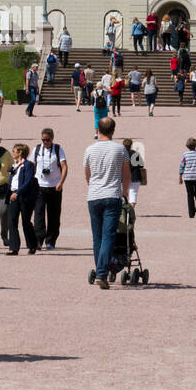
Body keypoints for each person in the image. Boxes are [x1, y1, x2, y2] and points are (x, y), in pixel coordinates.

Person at [84, 117, 130, 290]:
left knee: (97, 237)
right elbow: (126, 175)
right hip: (112, 195)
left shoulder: (89, 149)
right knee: (109, 235)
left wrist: (94, 187)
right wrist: (124, 192)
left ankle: (100, 270)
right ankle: (102, 273)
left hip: (94, 195)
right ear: (113, 131)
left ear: (98, 130)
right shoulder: (120, 150)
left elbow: (87, 174)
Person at [30, 128, 67, 249]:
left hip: (55, 187)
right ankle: (39, 240)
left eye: (47, 140)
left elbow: (64, 167)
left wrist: (61, 182)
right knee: (38, 214)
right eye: (43, 140)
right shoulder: (37, 149)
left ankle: (50, 240)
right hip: (40, 186)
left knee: (54, 215)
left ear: (52, 138)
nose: (45, 142)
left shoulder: (58, 149)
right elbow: (31, 165)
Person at [5, 143, 39, 255]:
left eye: (14, 151)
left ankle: (32, 244)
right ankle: (14, 248)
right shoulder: (15, 165)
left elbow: (28, 181)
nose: (12, 153)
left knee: (26, 221)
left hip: (25, 197)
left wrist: (18, 193)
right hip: (13, 195)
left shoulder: (28, 165)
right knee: (12, 221)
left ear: (20, 152)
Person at [123, 138, 145, 211]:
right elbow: (141, 165)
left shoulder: (121, 154)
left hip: (124, 177)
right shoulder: (135, 154)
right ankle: (131, 210)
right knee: (133, 193)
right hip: (135, 176)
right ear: (131, 145)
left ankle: (123, 211)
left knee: (123, 194)